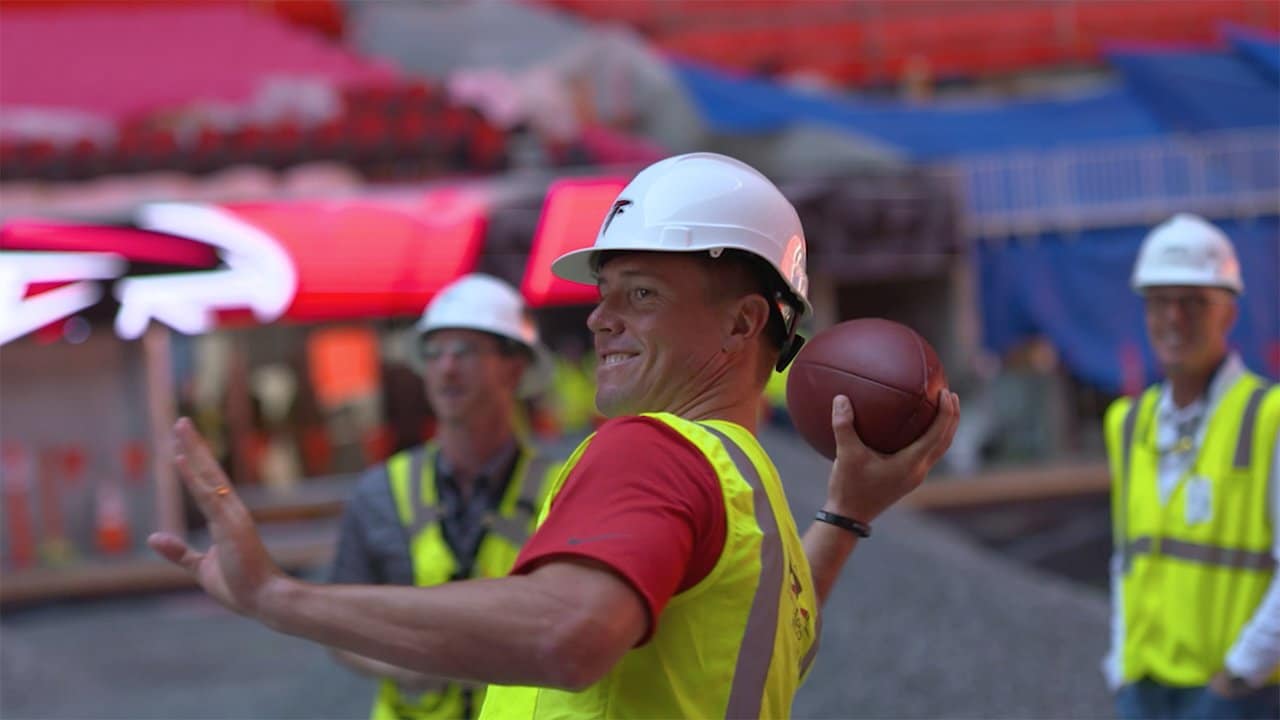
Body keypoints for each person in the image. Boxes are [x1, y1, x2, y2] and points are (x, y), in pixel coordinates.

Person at [148, 152, 960, 718]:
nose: (600, 319)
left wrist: (279, 597)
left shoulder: (653, 449)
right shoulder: (752, 489)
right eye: (604, 293)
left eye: (641, 294)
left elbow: (569, 634)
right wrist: (848, 515)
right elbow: (763, 650)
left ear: (744, 323)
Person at [328, 273, 563, 720]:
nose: (446, 368)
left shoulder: (564, 489)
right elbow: (337, 625)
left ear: (514, 368)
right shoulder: (379, 493)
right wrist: (406, 667)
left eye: (466, 351)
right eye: (434, 353)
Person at [1103, 213, 1280, 720]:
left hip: (1236, 696)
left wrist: (1239, 675)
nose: (1174, 318)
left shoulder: (1269, 417)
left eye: (1195, 302)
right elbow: (1127, 558)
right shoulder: (1127, 422)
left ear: (1229, 312)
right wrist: (1120, 667)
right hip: (1143, 690)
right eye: (1159, 301)